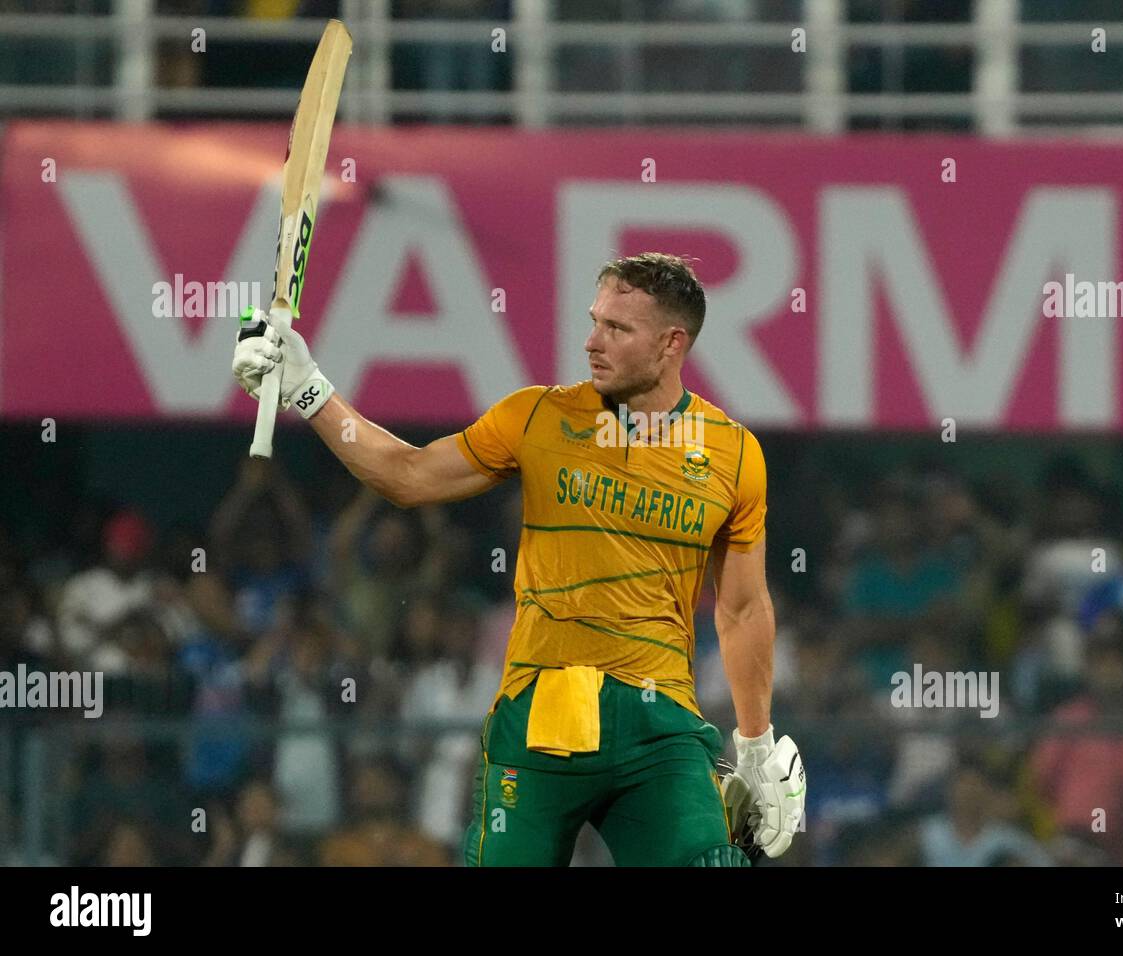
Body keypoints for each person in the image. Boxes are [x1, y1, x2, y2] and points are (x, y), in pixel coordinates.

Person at [231, 252, 804, 866]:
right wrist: (308, 388)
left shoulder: (734, 454)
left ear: (671, 344)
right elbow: (409, 475)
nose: (592, 342)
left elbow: (742, 609)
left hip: (659, 725)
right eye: (595, 321)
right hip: (540, 718)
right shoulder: (537, 416)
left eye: (618, 329)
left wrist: (756, 743)